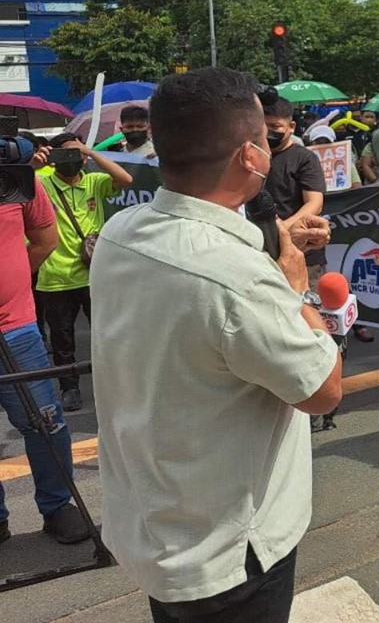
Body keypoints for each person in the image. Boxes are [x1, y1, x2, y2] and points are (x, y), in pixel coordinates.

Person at [91, 68, 342, 623]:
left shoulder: (119, 234)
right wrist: (294, 287)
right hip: (234, 550)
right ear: (252, 158)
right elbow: (322, 391)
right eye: (267, 139)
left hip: (160, 528)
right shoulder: (237, 279)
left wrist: (268, 264)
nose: (274, 147)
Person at [0, 139, 91, 546]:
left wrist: (14, 286)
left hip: (17, 329)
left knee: (45, 421)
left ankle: (57, 507)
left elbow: (45, 240)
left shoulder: (18, 178)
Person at [36, 132, 132, 412]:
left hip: (94, 275)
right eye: (64, 154)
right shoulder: (42, 184)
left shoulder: (94, 181)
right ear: (53, 160)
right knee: (62, 340)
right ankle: (70, 388)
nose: (71, 159)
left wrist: (90, 152)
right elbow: (15, 185)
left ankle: (115, 385)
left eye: (75, 153)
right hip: (55, 279)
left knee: (106, 333)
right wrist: (35, 163)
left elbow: (125, 180)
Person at [263, 96, 329, 292]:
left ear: (291, 126)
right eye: (263, 126)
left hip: (302, 254)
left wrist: (280, 230)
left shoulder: (305, 159)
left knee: (305, 313)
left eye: (275, 126)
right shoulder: (254, 155)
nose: (268, 133)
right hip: (263, 254)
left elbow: (314, 203)